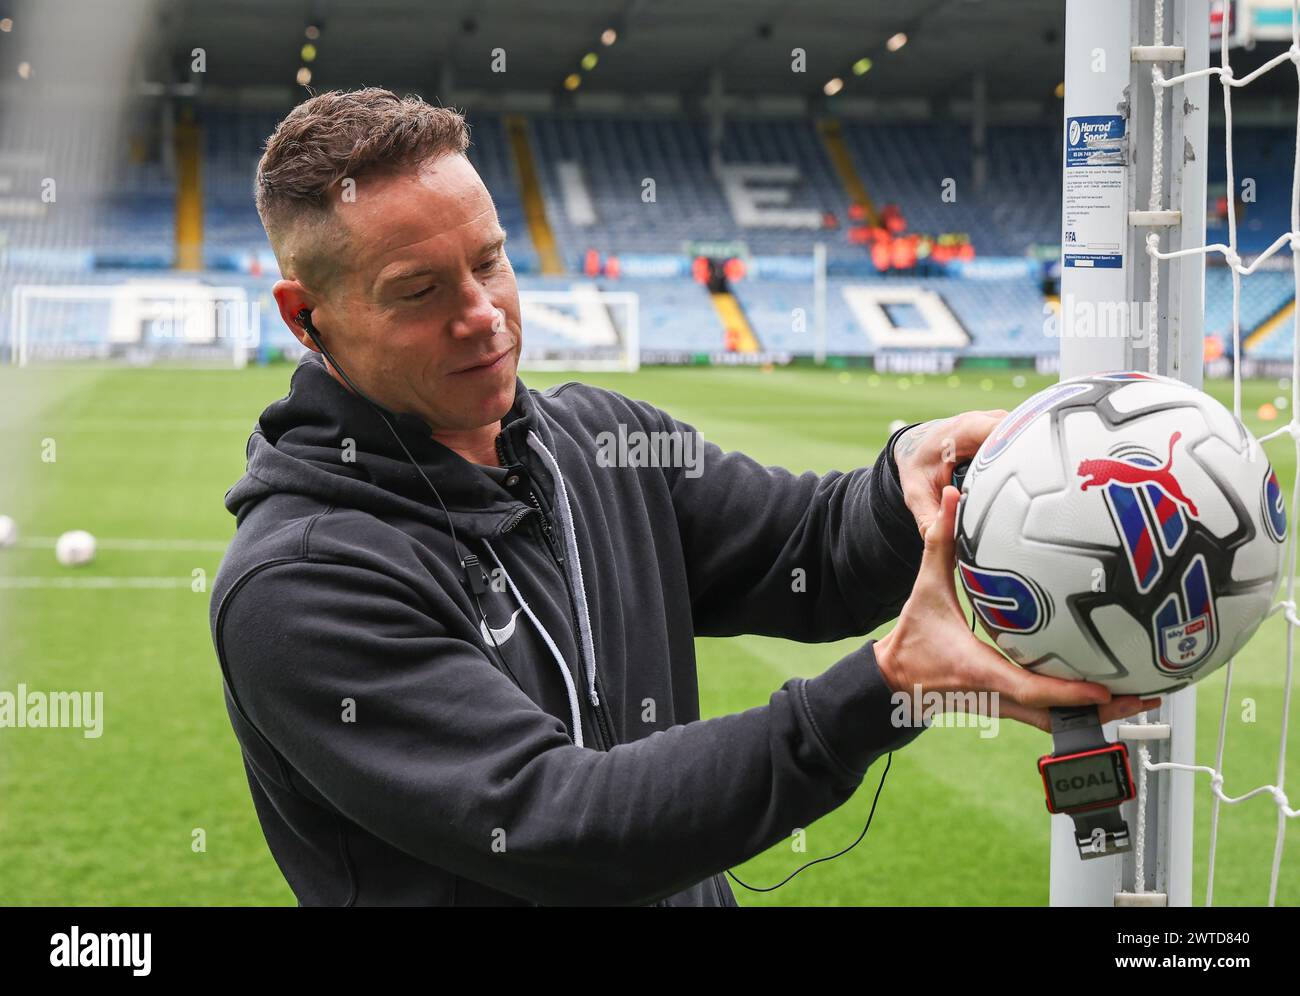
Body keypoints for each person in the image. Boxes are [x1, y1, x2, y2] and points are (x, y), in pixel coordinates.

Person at [210, 88, 1158, 907]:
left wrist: (915, 477)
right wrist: (884, 691)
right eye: (417, 291)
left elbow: (809, 554)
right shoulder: (302, 585)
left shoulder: (601, 442)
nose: (483, 313)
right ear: (306, 315)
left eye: (491, 260)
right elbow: (561, 825)